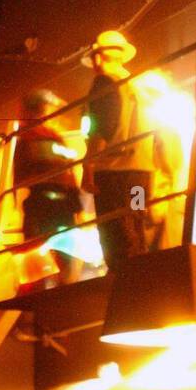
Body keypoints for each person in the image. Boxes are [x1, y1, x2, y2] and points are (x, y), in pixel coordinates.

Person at [81, 31, 154, 271]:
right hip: (140, 173)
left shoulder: (105, 82)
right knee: (136, 231)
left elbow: (103, 126)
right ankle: (143, 288)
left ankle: (125, 290)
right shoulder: (138, 86)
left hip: (114, 174)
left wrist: (88, 166)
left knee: (116, 238)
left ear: (98, 58)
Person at [14, 89, 82, 243]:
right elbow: (68, 174)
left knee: (40, 255)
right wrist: (77, 205)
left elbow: (20, 177)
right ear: (43, 109)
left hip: (42, 206)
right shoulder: (48, 137)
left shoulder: (27, 137)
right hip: (58, 207)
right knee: (61, 256)